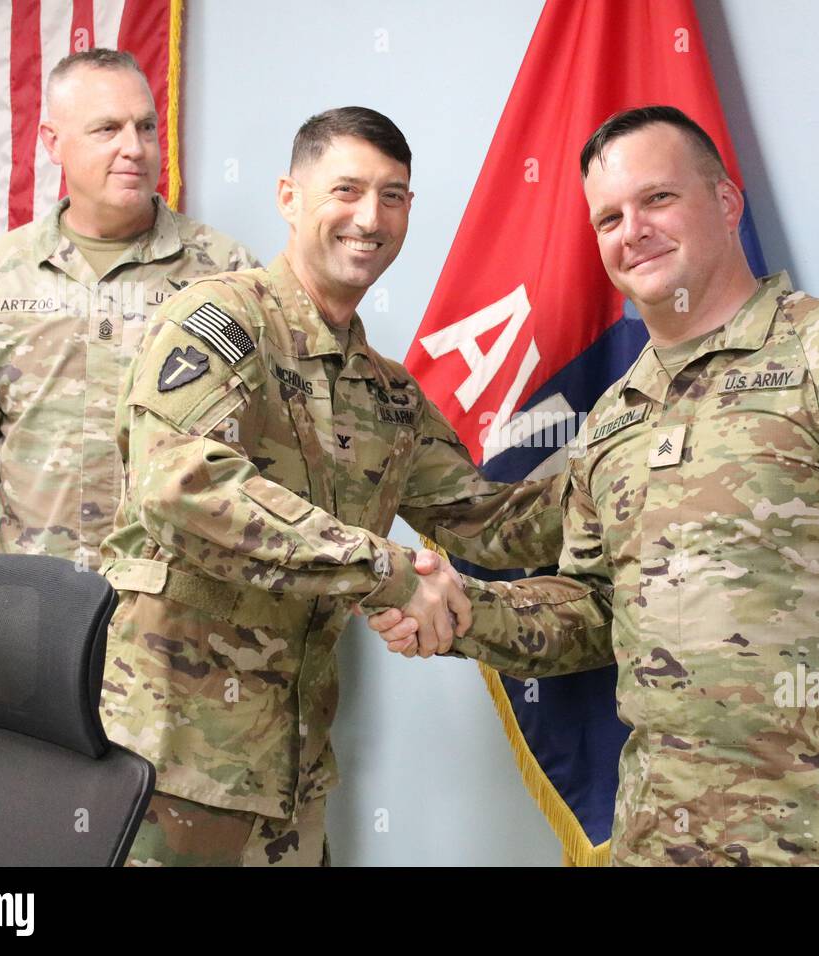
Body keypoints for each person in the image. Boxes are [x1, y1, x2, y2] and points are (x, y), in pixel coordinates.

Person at [368, 106, 819, 867]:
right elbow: (599, 608)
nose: (632, 230)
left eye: (658, 199)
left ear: (726, 202)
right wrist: (462, 616)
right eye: (609, 217)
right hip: (656, 842)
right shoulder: (614, 418)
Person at [100, 107, 562, 866]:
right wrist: (385, 572)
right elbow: (183, 491)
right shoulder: (221, 321)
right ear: (289, 197)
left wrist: (630, 475)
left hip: (294, 777)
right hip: (170, 767)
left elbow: (488, 521)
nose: (369, 218)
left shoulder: (389, 395)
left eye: (393, 196)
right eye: (345, 189)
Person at [0, 49, 256, 668]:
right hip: (31, 629)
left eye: (146, 126)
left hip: (184, 639)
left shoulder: (224, 275)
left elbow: (264, 462)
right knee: (31, 769)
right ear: (52, 143)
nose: (135, 147)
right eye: (107, 128)